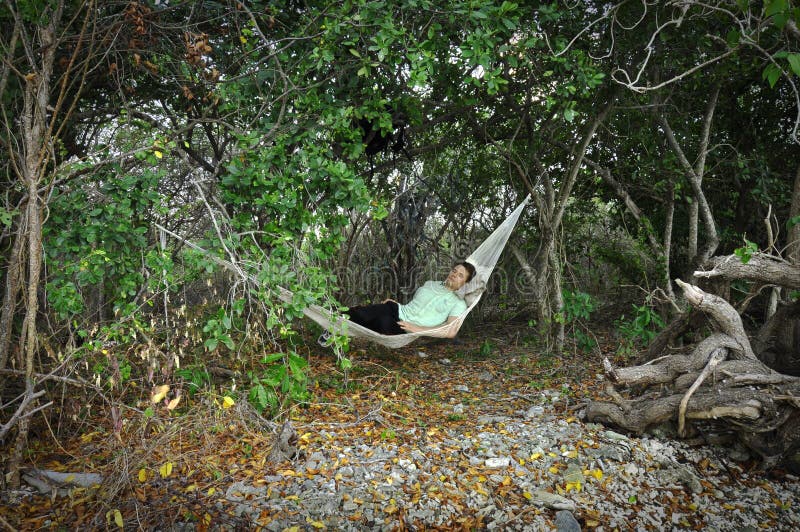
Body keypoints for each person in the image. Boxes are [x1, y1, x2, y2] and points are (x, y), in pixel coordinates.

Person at [319, 261, 477, 344]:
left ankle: (336, 325)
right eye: (454, 270)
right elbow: (416, 305)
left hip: (406, 327)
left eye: (461, 275)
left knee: (380, 322)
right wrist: (395, 304)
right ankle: (334, 322)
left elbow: (449, 331)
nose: (455, 274)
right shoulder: (431, 284)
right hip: (398, 310)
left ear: (465, 283)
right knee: (370, 311)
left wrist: (417, 329)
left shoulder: (458, 303)